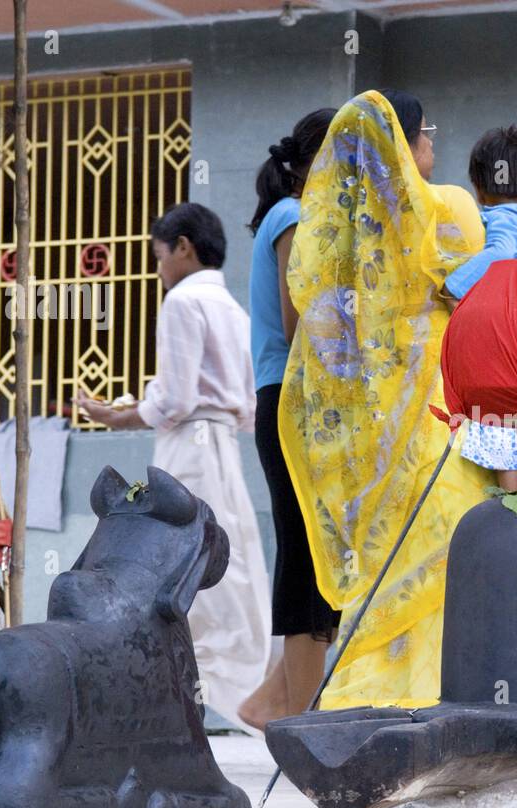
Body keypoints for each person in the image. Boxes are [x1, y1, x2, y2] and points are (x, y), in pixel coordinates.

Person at [279, 89, 493, 709]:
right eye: (426, 132)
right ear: (406, 143)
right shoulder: (449, 210)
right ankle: (430, 700)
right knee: (439, 556)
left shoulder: (340, 231)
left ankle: (365, 700)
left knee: (384, 561)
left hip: (369, 434)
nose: (433, 144)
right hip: (435, 417)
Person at [76, 202, 271, 734]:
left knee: (174, 562)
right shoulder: (232, 307)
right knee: (229, 566)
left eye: (161, 257)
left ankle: (185, 688)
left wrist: (114, 415)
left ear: (183, 247)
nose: (159, 269)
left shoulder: (183, 302)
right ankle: (239, 690)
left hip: (188, 448)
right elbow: (241, 400)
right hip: (224, 447)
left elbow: (177, 399)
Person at [237, 108, 340, 732]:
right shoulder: (295, 216)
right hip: (292, 398)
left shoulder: (293, 215)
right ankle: (300, 714)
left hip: (288, 398)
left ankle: (274, 699)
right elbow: (300, 317)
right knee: (306, 549)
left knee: (310, 544)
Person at [443, 125, 517, 493]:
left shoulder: (503, 220)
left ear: (477, 188)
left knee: (498, 421)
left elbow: (500, 253)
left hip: (507, 341)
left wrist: (453, 286)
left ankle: (513, 506)